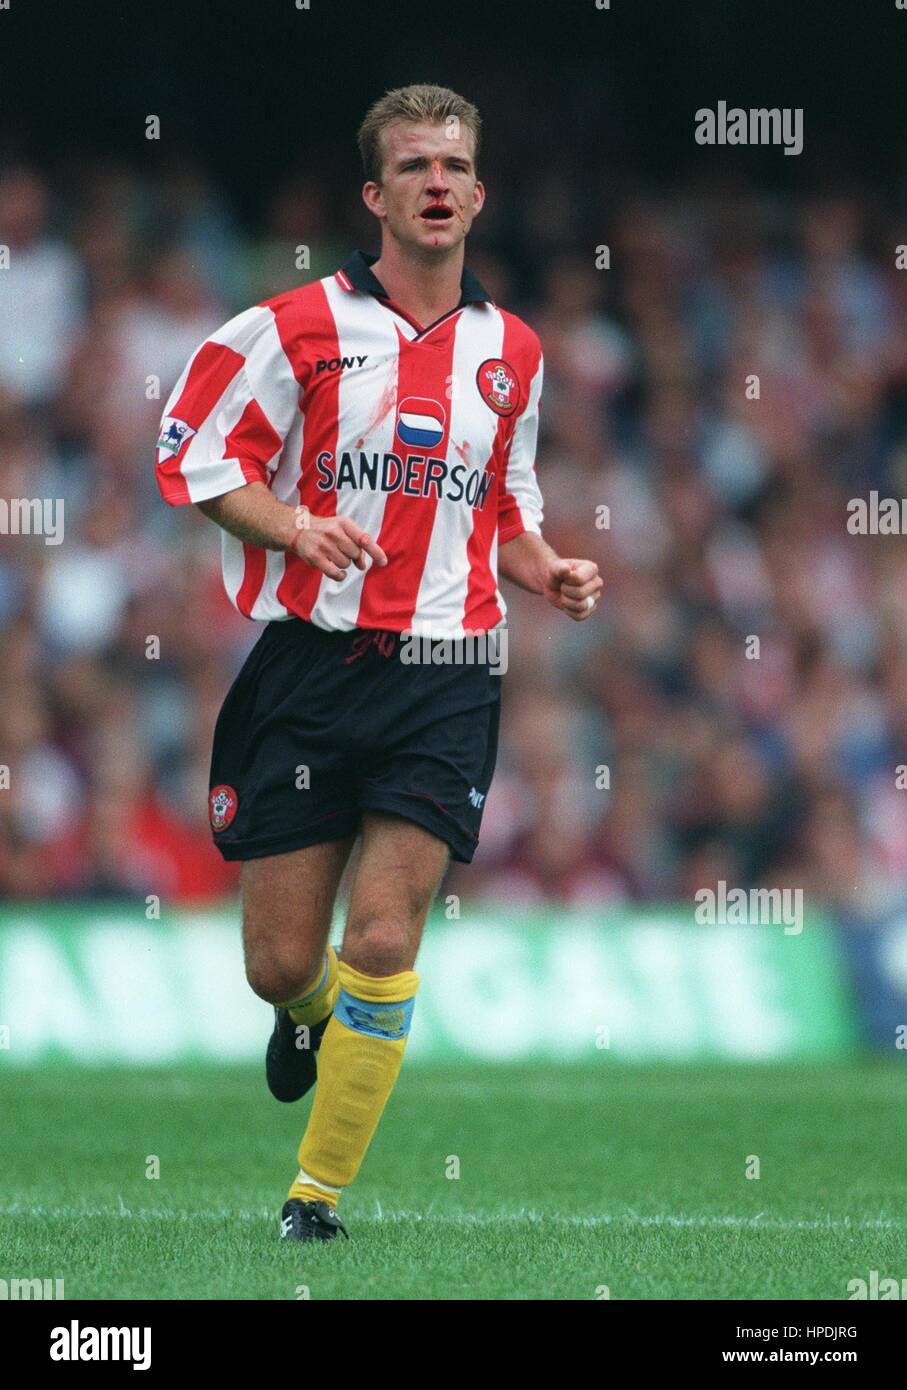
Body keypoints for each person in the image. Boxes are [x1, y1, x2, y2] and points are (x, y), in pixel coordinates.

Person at [154, 83, 602, 1242]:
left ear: (479, 191)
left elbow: (503, 506)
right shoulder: (290, 328)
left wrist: (544, 567)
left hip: (449, 671)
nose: (436, 183)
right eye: (412, 167)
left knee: (387, 937)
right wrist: (292, 525)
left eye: (453, 165)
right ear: (376, 194)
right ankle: (303, 1013)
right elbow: (201, 463)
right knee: (278, 960)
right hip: (310, 669)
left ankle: (315, 1197)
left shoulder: (514, 353)